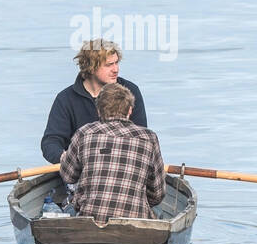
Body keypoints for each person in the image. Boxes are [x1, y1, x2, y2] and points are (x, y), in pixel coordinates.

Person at [59, 83, 165, 222]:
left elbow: (68, 176)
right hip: (135, 221)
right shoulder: (149, 138)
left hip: (90, 218)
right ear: (130, 111)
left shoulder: (84, 133)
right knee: (159, 211)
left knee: (65, 207)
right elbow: (157, 194)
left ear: (98, 111)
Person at [40, 39, 147, 164]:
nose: (115, 69)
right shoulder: (66, 99)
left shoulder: (129, 91)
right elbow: (51, 141)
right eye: (108, 65)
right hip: (80, 168)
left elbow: (141, 135)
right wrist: (65, 158)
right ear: (91, 68)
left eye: (116, 63)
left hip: (123, 164)